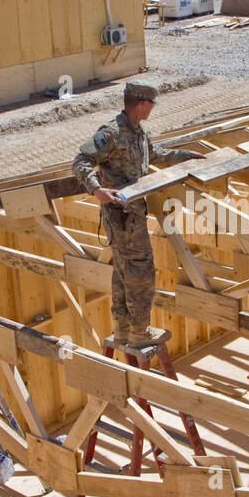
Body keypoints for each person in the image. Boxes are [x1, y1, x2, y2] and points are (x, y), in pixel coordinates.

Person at [72, 82, 202, 348]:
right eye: (152, 104)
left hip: (131, 214)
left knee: (122, 269)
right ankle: (140, 331)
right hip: (122, 216)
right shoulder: (112, 132)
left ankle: (122, 330)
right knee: (140, 270)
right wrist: (96, 190)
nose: (153, 109)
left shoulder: (139, 131)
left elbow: (155, 155)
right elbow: (80, 161)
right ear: (142, 103)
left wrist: (188, 156)